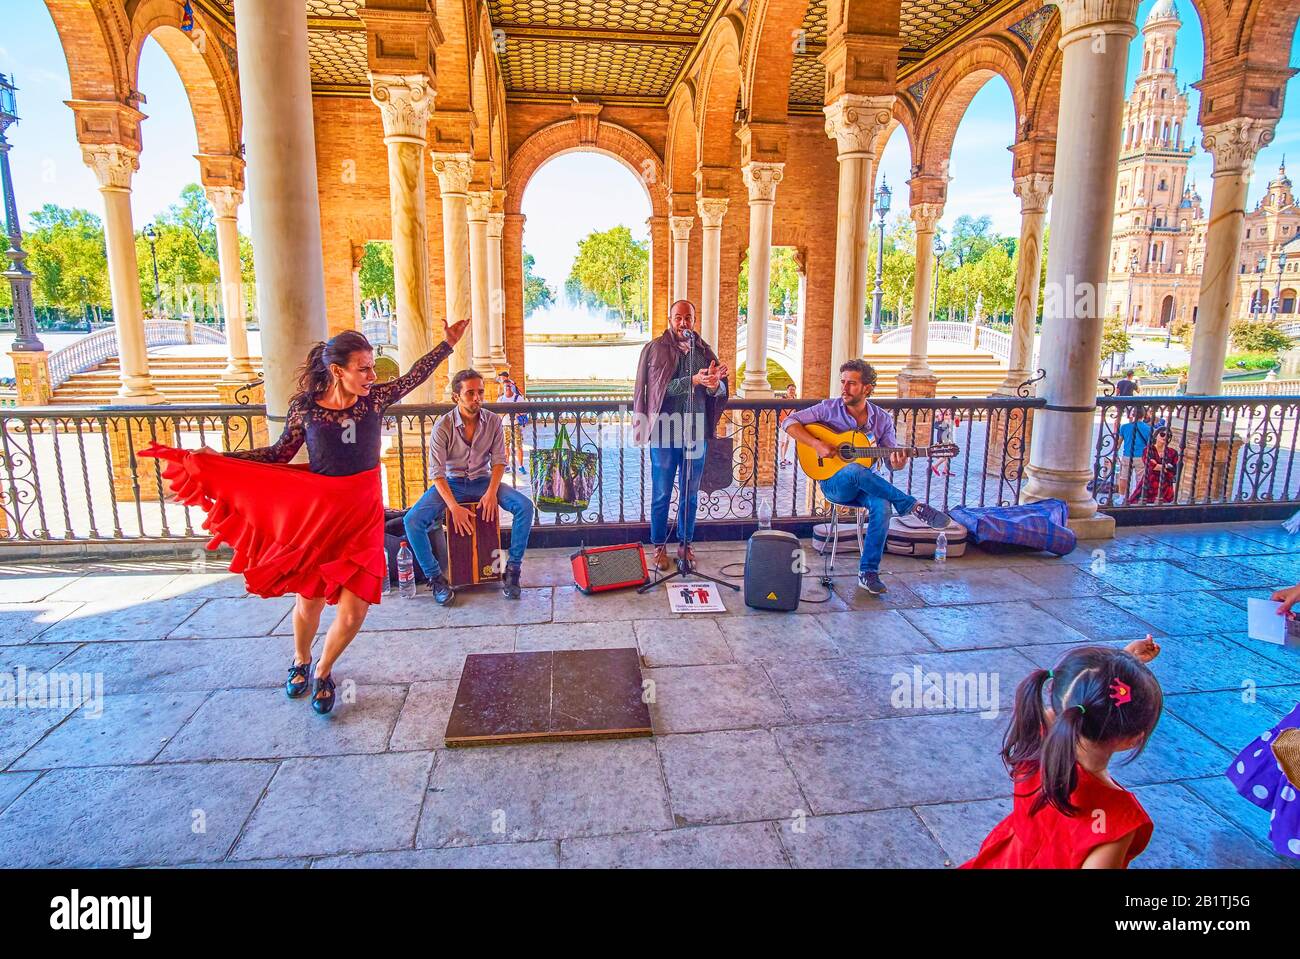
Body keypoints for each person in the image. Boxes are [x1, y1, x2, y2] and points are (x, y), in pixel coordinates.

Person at [141, 321, 467, 715]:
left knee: (356, 606)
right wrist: (222, 460)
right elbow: (278, 454)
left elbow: (416, 375)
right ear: (337, 371)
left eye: (372, 368)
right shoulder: (306, 408)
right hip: (320, 512)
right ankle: (300, 659)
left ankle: (325, 669)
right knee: (309, 598)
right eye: (363, 368)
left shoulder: (375, 400)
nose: (371, 376)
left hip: (362, 512)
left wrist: (447, 343)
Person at [964, 638, 1164, 868]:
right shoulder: (1117, 820)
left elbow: (1079, 701)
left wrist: (1124, 661)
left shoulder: (1037, 744)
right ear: (1133, 740)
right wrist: (1127, 666)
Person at [781, 359, 951, 595]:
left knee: (882, 506)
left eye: (851, 384)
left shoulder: (881, 419)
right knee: (852, 470)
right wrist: (816, 444)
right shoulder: (827, 408)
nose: (844, 388)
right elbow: (788, 422)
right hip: (834, 483)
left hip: (867, 485)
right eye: (843, 382)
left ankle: (868, 572)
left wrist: (898, 462)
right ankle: (913, 505)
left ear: (867, 388)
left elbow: (892, 463)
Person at [404, 369, 536, 604]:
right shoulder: (442, 427)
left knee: (524, 507)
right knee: (412, 520)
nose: (477, 398)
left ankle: (513, 571)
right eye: (470, 393)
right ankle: (436, 579)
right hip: (452, 483)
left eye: (481, 392)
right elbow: (437, 473)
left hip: (483, 481)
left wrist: (491, 493)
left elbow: (499, 462)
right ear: (456, 397)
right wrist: (453, 507)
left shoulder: (493, 421)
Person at [632, 299, 729, 572]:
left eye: (688, 318)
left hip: (695, 433)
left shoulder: (704, 351)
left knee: (690, 494)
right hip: (664, 432)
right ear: (669, 319)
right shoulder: (654, 350)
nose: (683, 322)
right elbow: (656, 389)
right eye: (678, 317)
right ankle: (659, 545)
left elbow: (717, 393)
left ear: (694, 321)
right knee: (662, 492)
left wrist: (714, 383)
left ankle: (686, 544)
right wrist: (693, 381)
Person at [1132, 426, 1179, 504]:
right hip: (1149, 485)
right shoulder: (1148, 450)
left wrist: (1159, 466)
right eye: (1162, 434)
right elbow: (1151, 466)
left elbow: (1174, 470)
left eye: (1168, 435)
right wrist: (1167, 466)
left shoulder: (1173, 452)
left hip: (1166, 487)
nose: (1165, 437)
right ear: (1156, 435)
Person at [496, 369, 528, 475]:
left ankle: (521, 466)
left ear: (512, 386)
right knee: (506, 446)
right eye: (506, 387)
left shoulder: (518, 398)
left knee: (519, 445)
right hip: (505, 425)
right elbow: (498, 415)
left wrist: (516, 412)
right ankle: (507, 465)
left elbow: (524, 411)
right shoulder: (500, 399)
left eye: (509, 386)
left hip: (516, 425)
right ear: (503, 387)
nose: (508, 388)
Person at [1115, 406, 1152, 497]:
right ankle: (1137, 497)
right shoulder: (1148, 428)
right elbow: (1150, 445)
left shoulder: (1125, 427)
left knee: (1124, 478)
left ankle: (1122, 497)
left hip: (1127, 455)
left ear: (1133, 414)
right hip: (1141, 457)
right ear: (1144, 415)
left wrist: (1115, 454)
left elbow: (1118, 444)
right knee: (1140, 479)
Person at [778, 383, 799, 466]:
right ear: (787, 390)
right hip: (782, 423)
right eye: (790, 389)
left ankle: (784, 458)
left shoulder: (795, 400)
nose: (791, 391)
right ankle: (781, 459)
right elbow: (778, 410)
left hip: (790, 423)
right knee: (782, 442)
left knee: (787, 441)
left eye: (793, 390)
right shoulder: (782, 399)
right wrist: (778, 421)